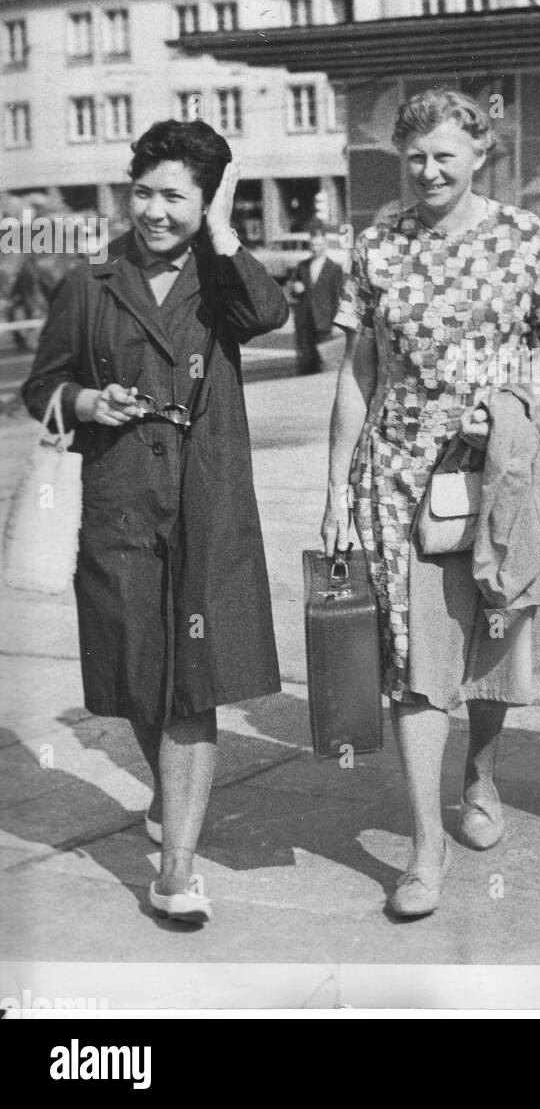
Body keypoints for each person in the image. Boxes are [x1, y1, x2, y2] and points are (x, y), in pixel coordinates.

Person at [322, 87, 540, 918]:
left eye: (445, 155)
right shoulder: (376, 246)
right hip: (398, 472)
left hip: (498, 467)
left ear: (479, 155)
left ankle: (480, 772)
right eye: (414, 157)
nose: (428, 170)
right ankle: (424, 848)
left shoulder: (521, 237)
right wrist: (335, 488)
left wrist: (523, 401)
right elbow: (358, 371)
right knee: (413, 658)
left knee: (493, 638)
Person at [22, 119, 288, 925]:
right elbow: (42, 387)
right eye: (144, 191)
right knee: (140, 681)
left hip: (206, 505)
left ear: (205, 202)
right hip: (121, 504)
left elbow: (270, 313)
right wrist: (86, 401)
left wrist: (221, 235)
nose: (154, 210)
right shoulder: (91, 280)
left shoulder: (222, 280)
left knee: (190, 689)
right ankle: (172, 798)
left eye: (176, 196)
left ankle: (176, 868)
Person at [289, 223, 344, 374]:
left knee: (324, 358)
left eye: (319, 244)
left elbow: (338, 295)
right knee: (306, 358)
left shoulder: (334, 268)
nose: (316, 247)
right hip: (305, 319)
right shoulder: (303, 266)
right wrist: (295, 289)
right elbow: (293, 293)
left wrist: (337, 322)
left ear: (325, 245)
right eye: (313, 244)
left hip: (324, 318)